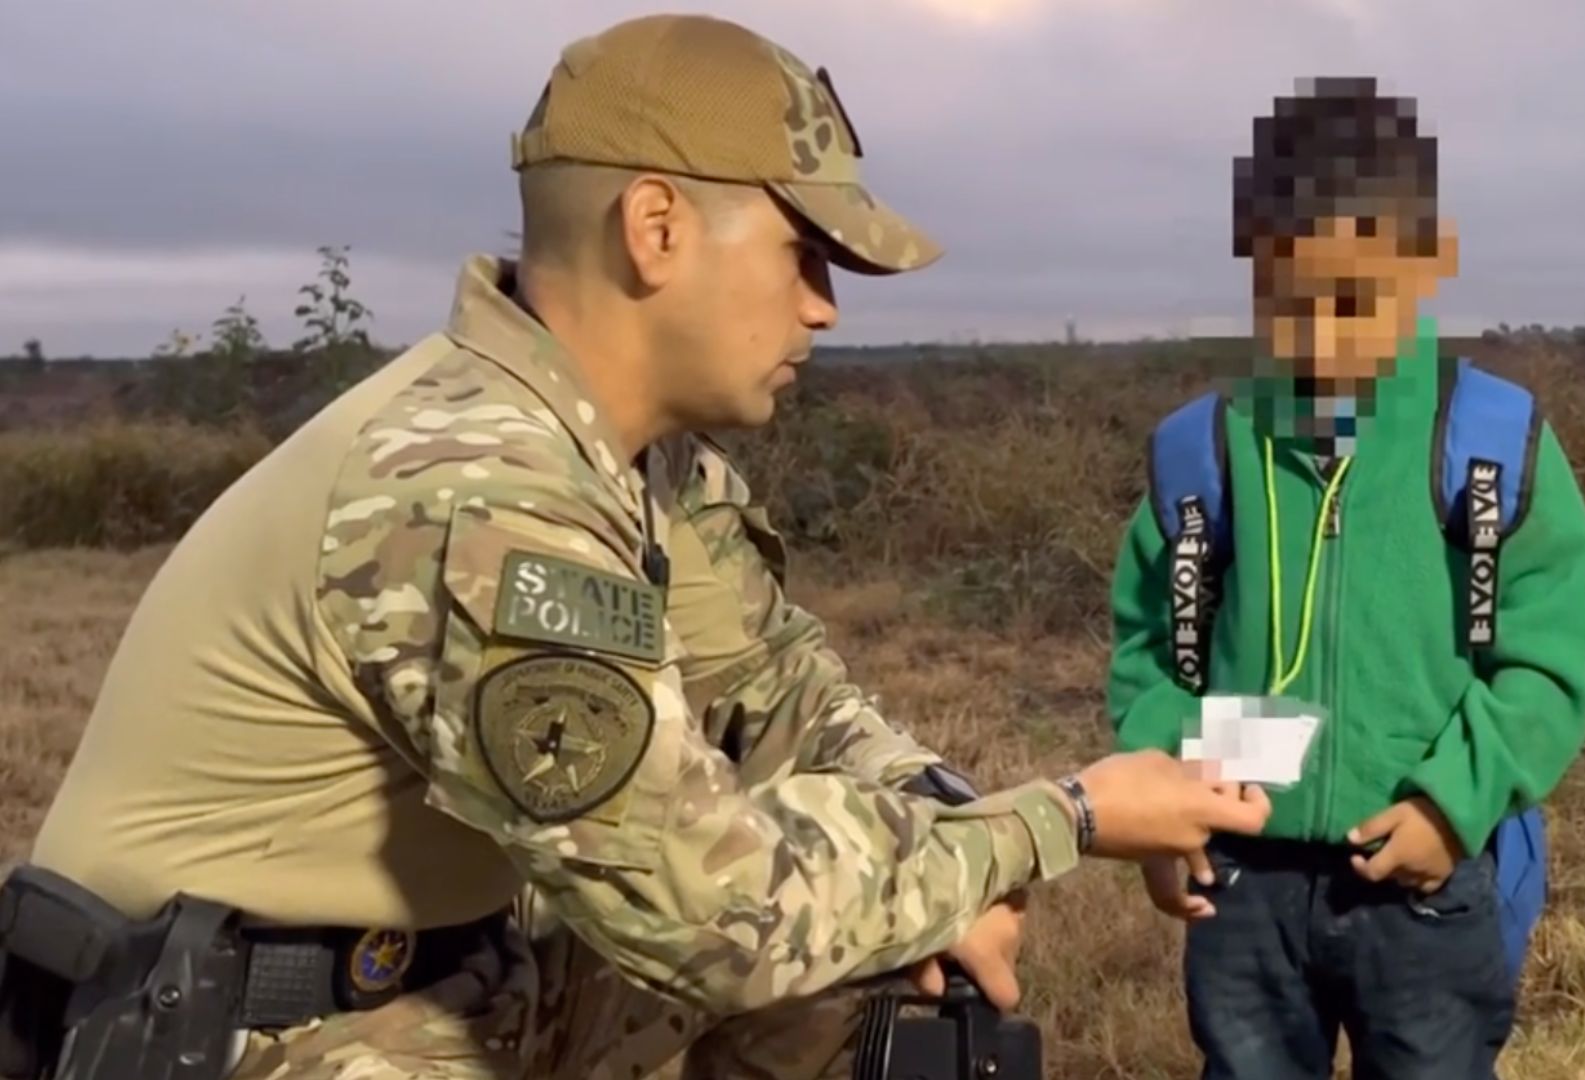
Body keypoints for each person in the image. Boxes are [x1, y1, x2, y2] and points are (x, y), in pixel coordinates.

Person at [11, 15, 1271, 1080]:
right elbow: (712, 911)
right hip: (250, 1031)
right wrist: (1060, 818)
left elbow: (778, 693)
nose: (825, 307)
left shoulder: (639, 461)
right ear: (656, 228)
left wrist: (945, 822)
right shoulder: (480, 489)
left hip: (449, 981)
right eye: (804, 253)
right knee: (816, 937)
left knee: (888, 986)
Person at [1104, 77, 1585, 1079]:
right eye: (1284, 305)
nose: (1319, 342)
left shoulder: (1491, 446)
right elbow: (1150, 648)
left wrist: (1453, 808)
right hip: (1241, 882)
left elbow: (1544, 669)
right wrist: (1165, 802)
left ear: (1430, 259)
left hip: (1423, 880)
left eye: (1353, 303)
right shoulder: (1203, 451)